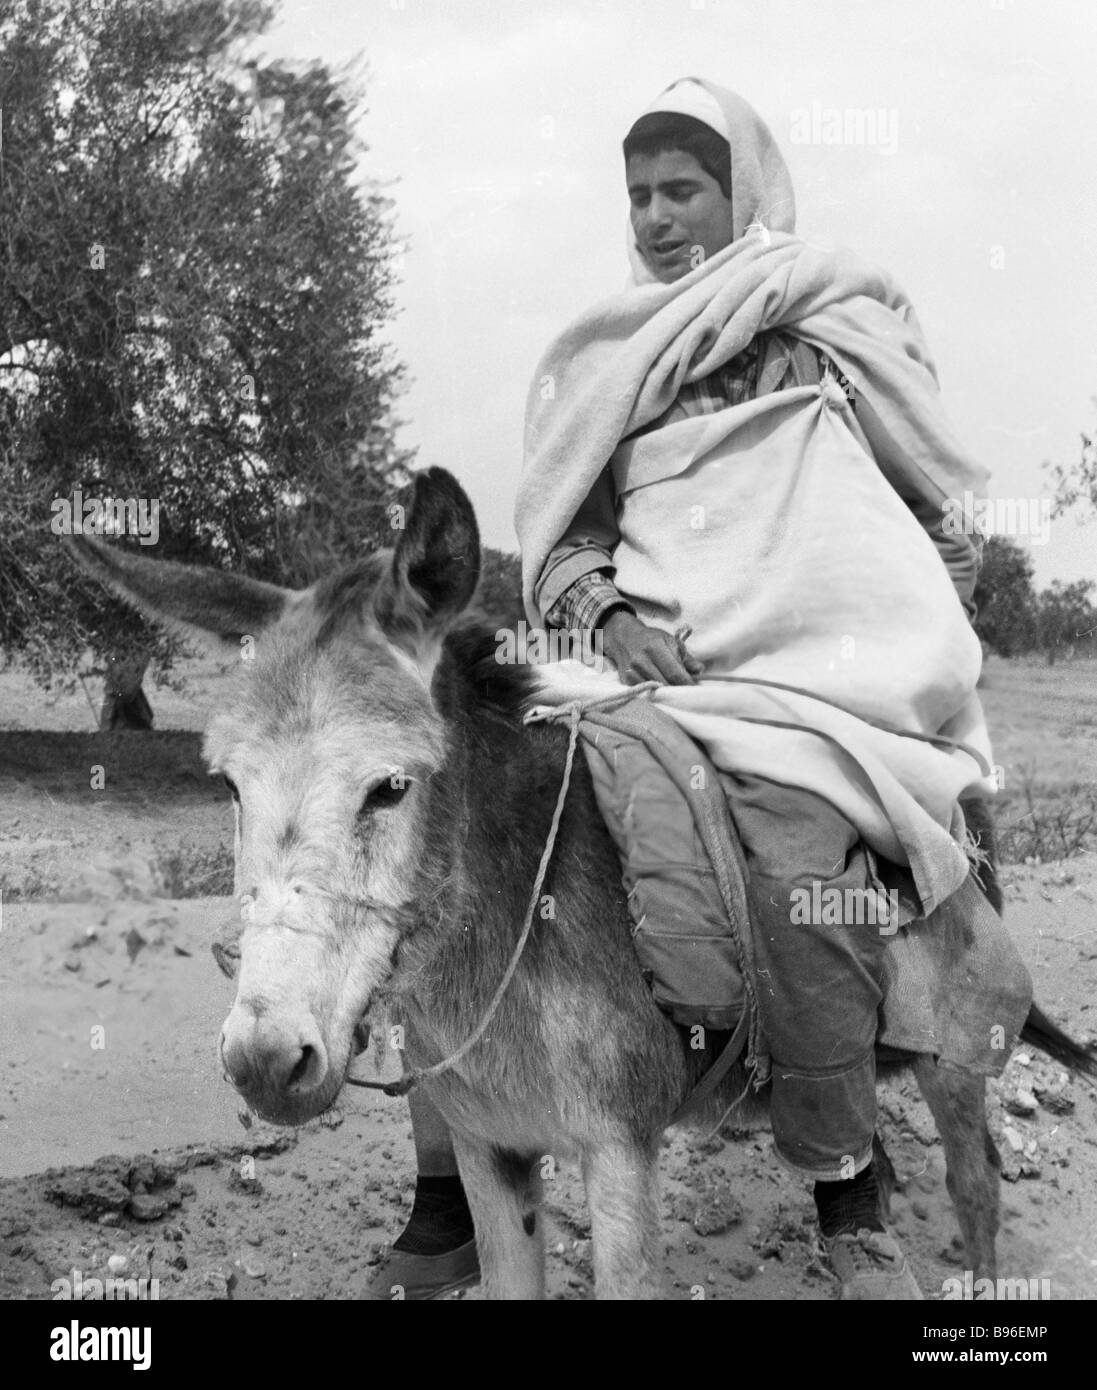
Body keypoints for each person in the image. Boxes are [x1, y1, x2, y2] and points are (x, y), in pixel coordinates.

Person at [369, 77, 994, 1301]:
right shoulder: (619, 357)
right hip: (642, 661)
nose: (654, 219)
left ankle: (845, 1188)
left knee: (800, 857)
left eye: (681, 191)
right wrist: (610, 615)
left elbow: (930, 520)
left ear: (739, 192)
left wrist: (864, 608)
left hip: (815, 685)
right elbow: (557, 537)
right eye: (637, 196)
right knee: (449, 837)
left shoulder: (834, 334)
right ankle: (449, 1195)